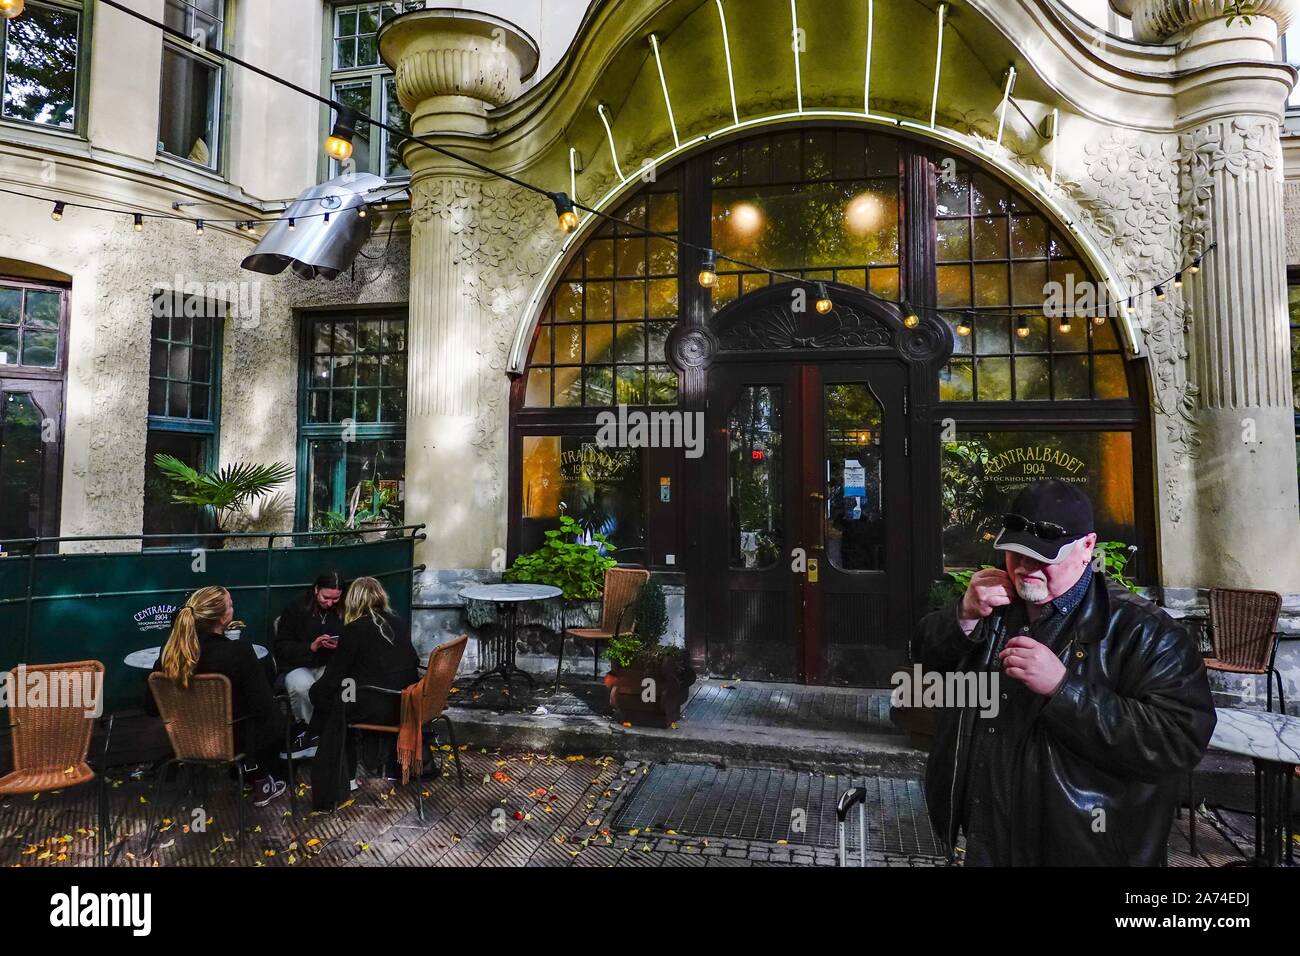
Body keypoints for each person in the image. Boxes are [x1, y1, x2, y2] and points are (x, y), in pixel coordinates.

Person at [917, 479, 1215, 866]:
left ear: (1087, 546)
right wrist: (963, 617)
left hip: (1081, 848)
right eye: (1016, 554)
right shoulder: (992, 605)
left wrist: (1063, 689)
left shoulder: (1144, 631)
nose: (1025, 568)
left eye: (1043, 557)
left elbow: (1178, 740)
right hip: (984, 837)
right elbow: (923, 668)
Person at [147, 586, 288, 807]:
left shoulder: (171, 654)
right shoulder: (238, 652)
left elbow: (151, 707)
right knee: (273, 714)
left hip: (185, 741)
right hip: (234, 742)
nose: (233, 607)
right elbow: (263, 708)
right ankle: (262, 777)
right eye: (231, 604)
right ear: (223, 618)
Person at [308, 576, 419, 812]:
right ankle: (341, 765)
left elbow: (334, 675)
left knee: (333, 700)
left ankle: (335, 774)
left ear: (353, 601)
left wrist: (315, 693)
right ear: (381, 597)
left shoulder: (354, 629)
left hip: (379, 705)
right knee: (341, 696)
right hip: (406, 702)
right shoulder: (398, 623)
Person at [274, 570, 345, 745]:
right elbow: (281, 646)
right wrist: (310, 647)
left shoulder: (345, 610)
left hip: (329, 664)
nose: (329, 603)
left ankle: (332, 733)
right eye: (325, 597)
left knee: (337, 685)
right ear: (316, 590)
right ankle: (309, 730)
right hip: (298, 664)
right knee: (302, 686)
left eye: (335, 599)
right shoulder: (295, 608)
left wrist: (339, 645)